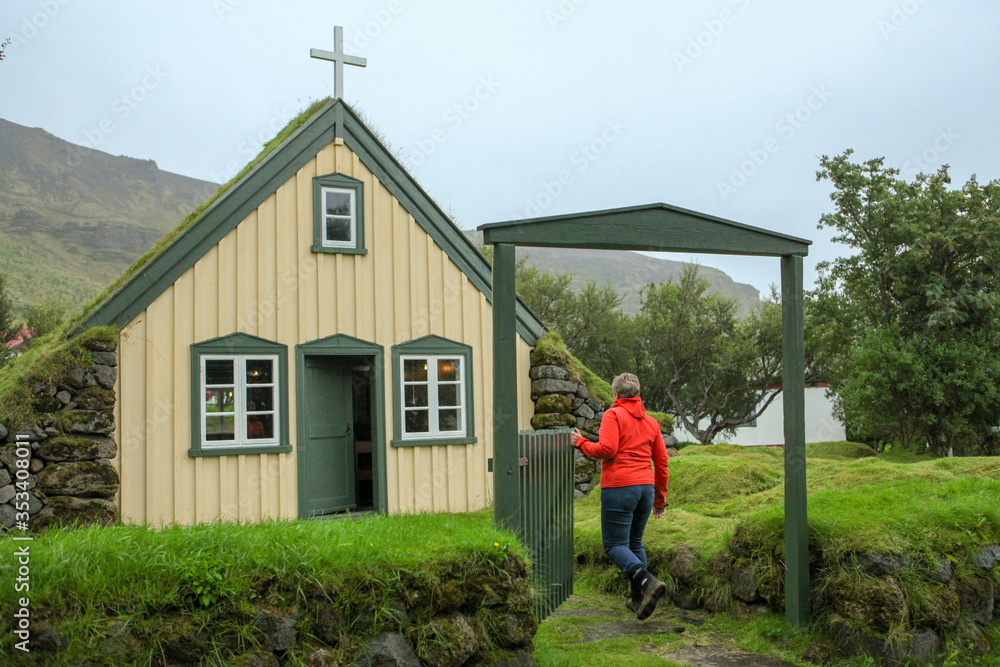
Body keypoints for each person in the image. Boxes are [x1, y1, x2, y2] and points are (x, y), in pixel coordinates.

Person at [571, 372, 669, 620]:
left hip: (620, 488)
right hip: (646, 488)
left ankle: (647, 582)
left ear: (615, 394)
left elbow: (607, 450)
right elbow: (662, 462)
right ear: (637, 393)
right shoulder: (651, 422)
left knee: (615, 545)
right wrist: (659, 500)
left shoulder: (613, 415)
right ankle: (638, 599)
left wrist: (581, 443)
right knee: (635, 543)